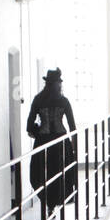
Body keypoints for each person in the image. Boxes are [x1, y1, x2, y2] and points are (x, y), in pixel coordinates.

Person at [26, 69, 76, 212]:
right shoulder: (64, 101)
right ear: (56, 84)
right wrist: (74, 146)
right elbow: (72, 126)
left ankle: (49, 203)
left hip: (43, 142)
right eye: (59, 83)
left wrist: (38, 132)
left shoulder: (38, 99)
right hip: (61, 142)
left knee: (42, 173)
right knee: (60, 171)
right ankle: (55, 201)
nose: (60, 85)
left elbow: (29, 126)